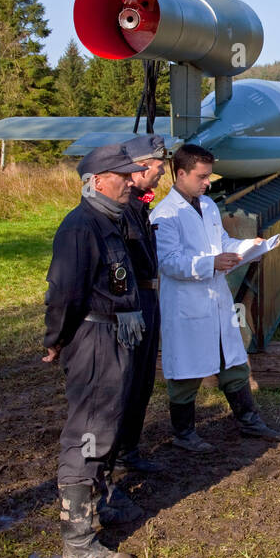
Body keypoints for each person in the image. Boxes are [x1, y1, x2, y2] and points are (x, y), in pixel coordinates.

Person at [43, 143, 149, 558]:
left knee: (107, 427)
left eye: (130, 175)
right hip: (94, 339)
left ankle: (100, 501)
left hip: (115, 337)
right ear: (97, 181)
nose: (130, 182)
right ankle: (78, 540)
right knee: (87, 432)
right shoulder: (80, 227)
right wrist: (56, 339)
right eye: (122, 176)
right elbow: (64, 294)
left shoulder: (110, 221)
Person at [151, 142, 280, 452]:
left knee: (233, 361)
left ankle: (248, 421)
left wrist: (246, 247)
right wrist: (209, 264)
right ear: (181, 173)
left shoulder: (209, 206)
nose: (207, 182)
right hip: (187, 305)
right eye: (201, 177)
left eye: (209, 176)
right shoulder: (165, 215)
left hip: (216, 300)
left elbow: (221, 241)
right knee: (186, 372)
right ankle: (184, 434)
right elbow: (168, 262)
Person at [113, 134, 168, 475]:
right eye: (160, 166)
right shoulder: (121, 210)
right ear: (141, 167)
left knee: (144, 380)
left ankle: (130, 450)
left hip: (148, 299)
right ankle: (116, 457)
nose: (163, 172)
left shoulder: (141, 206)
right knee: (126, 382)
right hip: (130, 305)